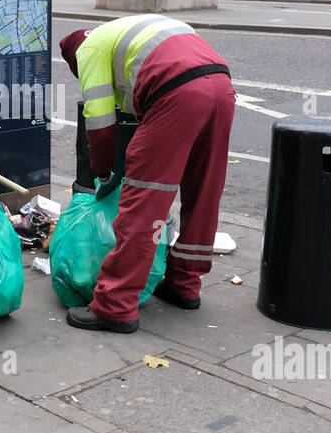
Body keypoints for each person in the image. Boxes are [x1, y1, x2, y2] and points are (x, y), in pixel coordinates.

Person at [59, 17, 235, 333]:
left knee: (144, 201)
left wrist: (103, 175)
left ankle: (115, 305)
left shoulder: (89, 50)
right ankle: (185, 283)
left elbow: (99, 128)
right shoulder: (128, 31)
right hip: (221, 86)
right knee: (203, 190)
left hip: (176, 93)